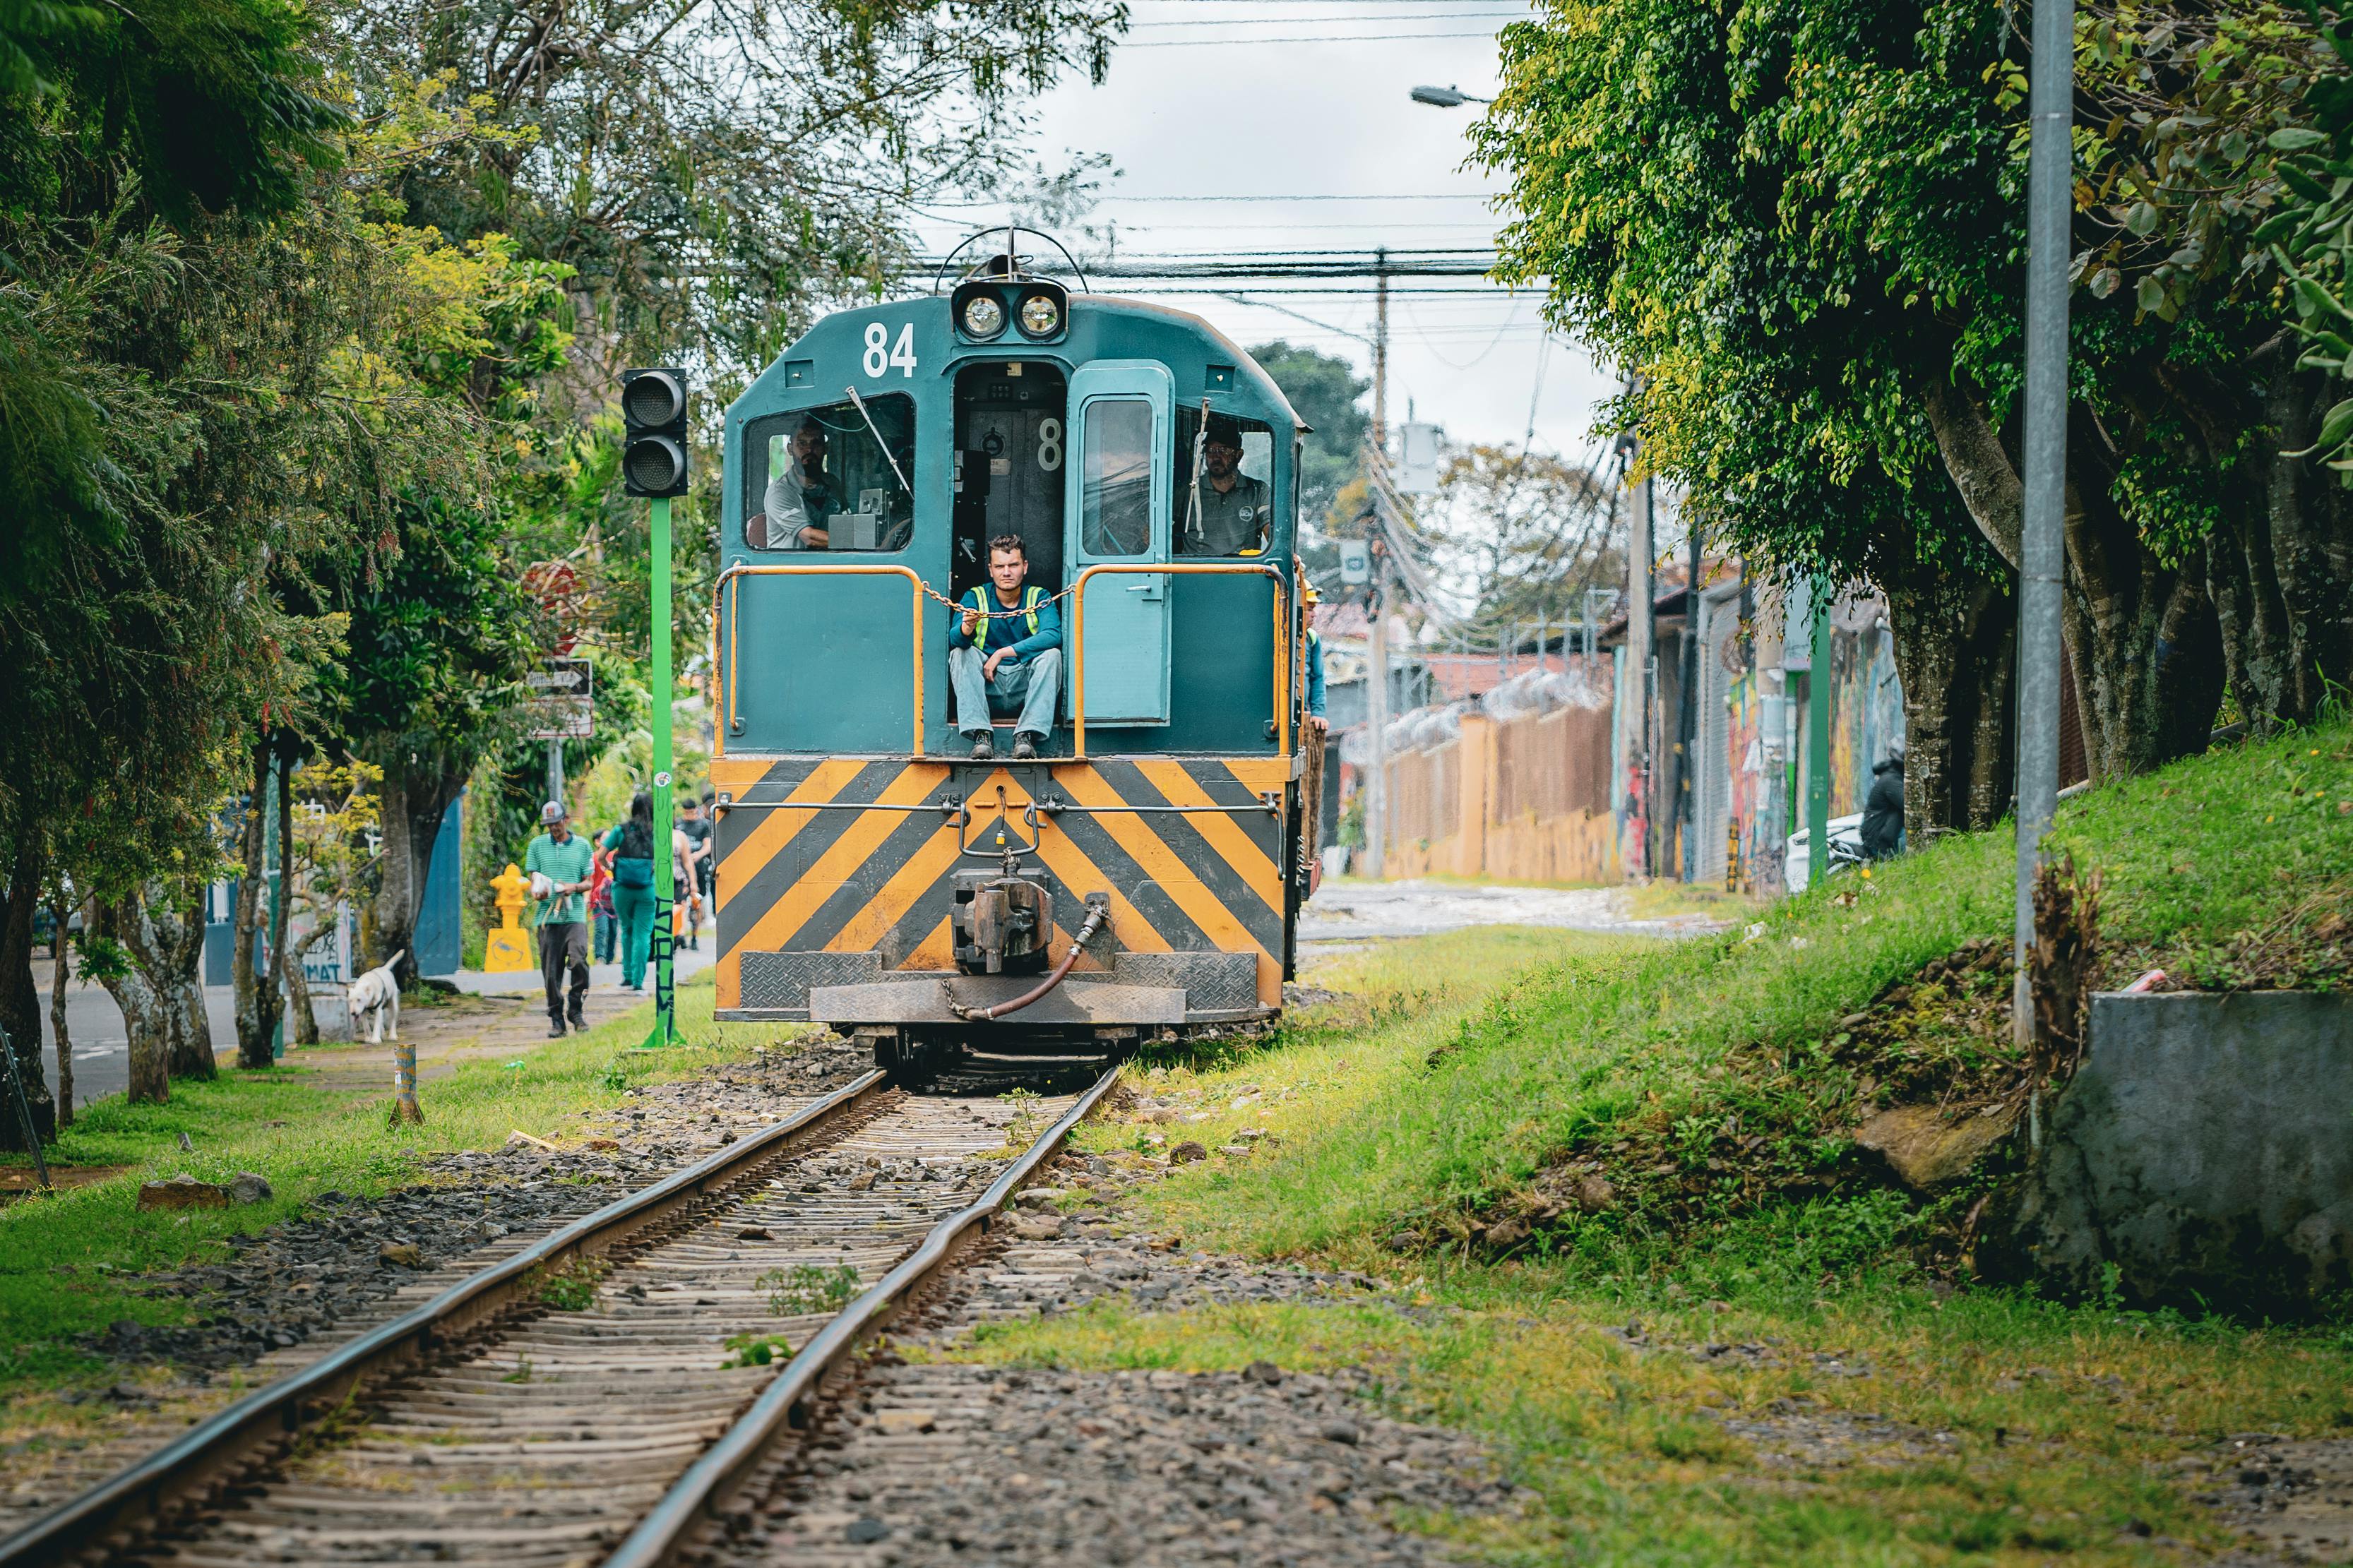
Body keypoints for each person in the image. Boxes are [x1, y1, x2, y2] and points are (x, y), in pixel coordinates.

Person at [947, 534, 1063, 760]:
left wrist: (1002, 653)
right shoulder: (975, 596)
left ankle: (1026, 735)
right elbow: (955, 640)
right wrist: (966, 629)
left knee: (1052, 656)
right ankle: (981, 735)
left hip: (1024, 687)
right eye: (1000, 566)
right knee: (961, 654)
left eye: (1013, 565)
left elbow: (1053, 635)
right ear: (991, 570)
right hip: (987, 688)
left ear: (1025, 567)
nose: (1007, 572)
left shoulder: (1039, 596)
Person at [523, 801, 594, 1036]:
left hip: (574, 916)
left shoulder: (583, 846)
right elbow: (533, 878)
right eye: (549, 825)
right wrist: (538, 890)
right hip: (547, 917)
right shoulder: (537, 846)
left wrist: (572, 887)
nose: (554, 828)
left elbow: (589, 882)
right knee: (551, 973)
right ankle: (556, 1019)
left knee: (579, 960)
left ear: (567, 819)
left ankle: (576, 1010)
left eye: (557, 823)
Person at [1181, 414, 1270, 556]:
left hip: (1242, 572)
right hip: (1194, 572)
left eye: (1223, 451)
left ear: (1239, 455)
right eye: (1211, 451)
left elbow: (1271, 531)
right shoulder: (1188, 491)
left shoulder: (1258, 491)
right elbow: (1156, 527)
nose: (1216, 457)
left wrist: (1288, 554)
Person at [601, 792, 658, 991]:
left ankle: (627, 975)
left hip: (622, 887)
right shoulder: (657, 832)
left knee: (626, 929)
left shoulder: (621, 830)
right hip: (647, 888)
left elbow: (601, 854)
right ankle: (638, 981)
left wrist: (609, 867)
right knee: (643, 934)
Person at [756, 417, 843, 549]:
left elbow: (848, 519)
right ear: (790, 449)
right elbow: (810, 537)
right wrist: (860, 543)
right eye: (802, 443)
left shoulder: (832, 483)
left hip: (828, 565)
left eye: (816, 443)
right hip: (790, 567)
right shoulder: (779, 492)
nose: (809, 450)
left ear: (826, 448)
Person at [675, 794, 714, 952]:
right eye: (687, 812)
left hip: (699, 868)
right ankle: (680, 934)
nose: (689, 815)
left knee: (696, 904)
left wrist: (698, 855)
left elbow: (708, 845)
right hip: (680, 872)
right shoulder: (679, 825)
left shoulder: (703, 825)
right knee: (680, 904)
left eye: (691, 812)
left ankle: (695, 936)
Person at [1861, 743, 1905, 861]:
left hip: (1880, 835)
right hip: (1879, 840)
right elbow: (1910, 806)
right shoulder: (1891, 781)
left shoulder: (1892, 777)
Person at [1301, 580, 1328, 735]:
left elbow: (1317, 678)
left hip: (1301, 716)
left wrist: (1318, 713)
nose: (1314, 614)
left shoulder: (1311, 638)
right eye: (1309, 609)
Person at [589, 830, 616, 964]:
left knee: (613, 930)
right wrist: (590, 899)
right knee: (602, 928)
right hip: (599, 902)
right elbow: (590, 880)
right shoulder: (593, 859)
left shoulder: (615, 856)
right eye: (606, 839)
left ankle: (610, 958)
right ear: (597, 842)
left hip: (614, 901)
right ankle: (600, 957)